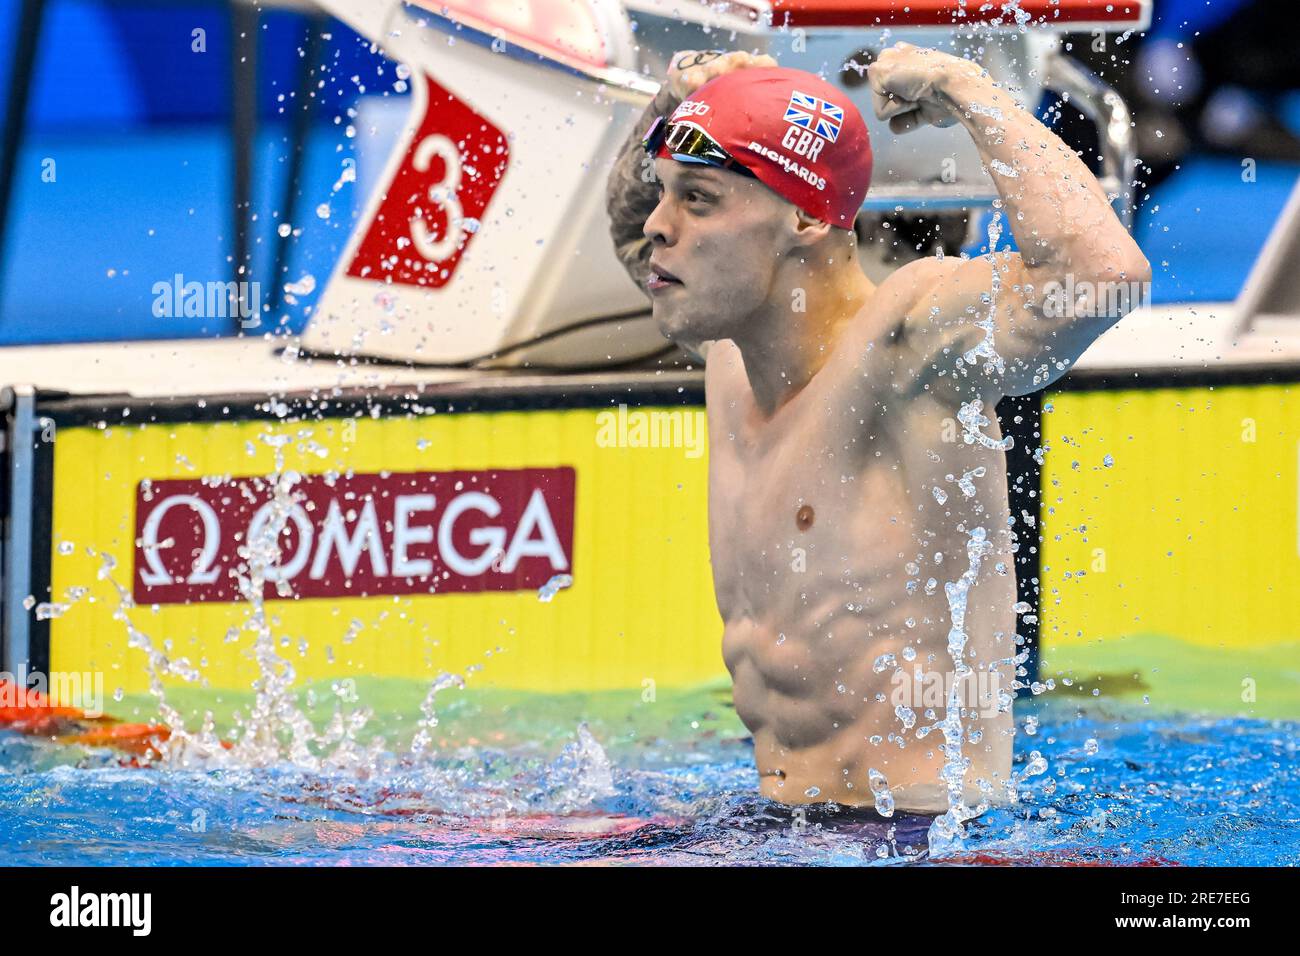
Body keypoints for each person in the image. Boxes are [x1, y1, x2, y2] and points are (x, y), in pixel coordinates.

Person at [604, 46, 1150, 823]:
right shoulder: (729, 343)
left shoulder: (908, 346)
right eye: (665, 195)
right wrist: (667, 102)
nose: (660, 228)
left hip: (920, 837)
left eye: (697, 199)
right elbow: (632, 237)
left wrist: (968, 89)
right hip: (778, 828)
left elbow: (1105, 278)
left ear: (802, 217)